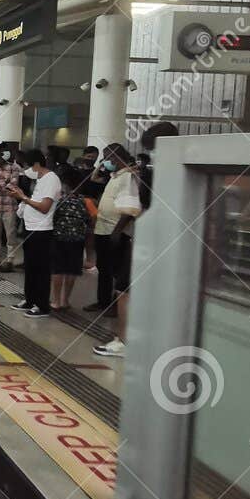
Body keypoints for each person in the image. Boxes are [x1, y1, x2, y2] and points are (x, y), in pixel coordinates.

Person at [91, 143, 143, 357]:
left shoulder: (129, 177)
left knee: (116, 271)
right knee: (103, 267)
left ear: (118, 156)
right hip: (102, 227)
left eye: (108, 157)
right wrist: (100, 166)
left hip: (116, 231)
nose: (105, 161)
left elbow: (130, 209)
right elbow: (95, 179)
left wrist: (118, 231)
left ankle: (113, 304)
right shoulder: (115, 176)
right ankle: (103, 300)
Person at [7, 150, 61, 316]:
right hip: (30, 228)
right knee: (30, 268)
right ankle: (30, 299)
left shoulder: (51, 179)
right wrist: (22, 196)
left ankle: (42, 305)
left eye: (27, 166)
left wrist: (23, 198)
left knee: (41, 270)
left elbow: (44, 208)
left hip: (42, 231)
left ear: (37, 164)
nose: (26, 170)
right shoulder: (40, 180)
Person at [50, 163, 91, 310]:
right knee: (72, 269)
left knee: (58, 269)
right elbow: (90, 220)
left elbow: (52, 218)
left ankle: (55, 300)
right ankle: (65, 300)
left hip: (60, 238)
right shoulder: (84, 201)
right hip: (78, 239)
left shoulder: (59, 200)